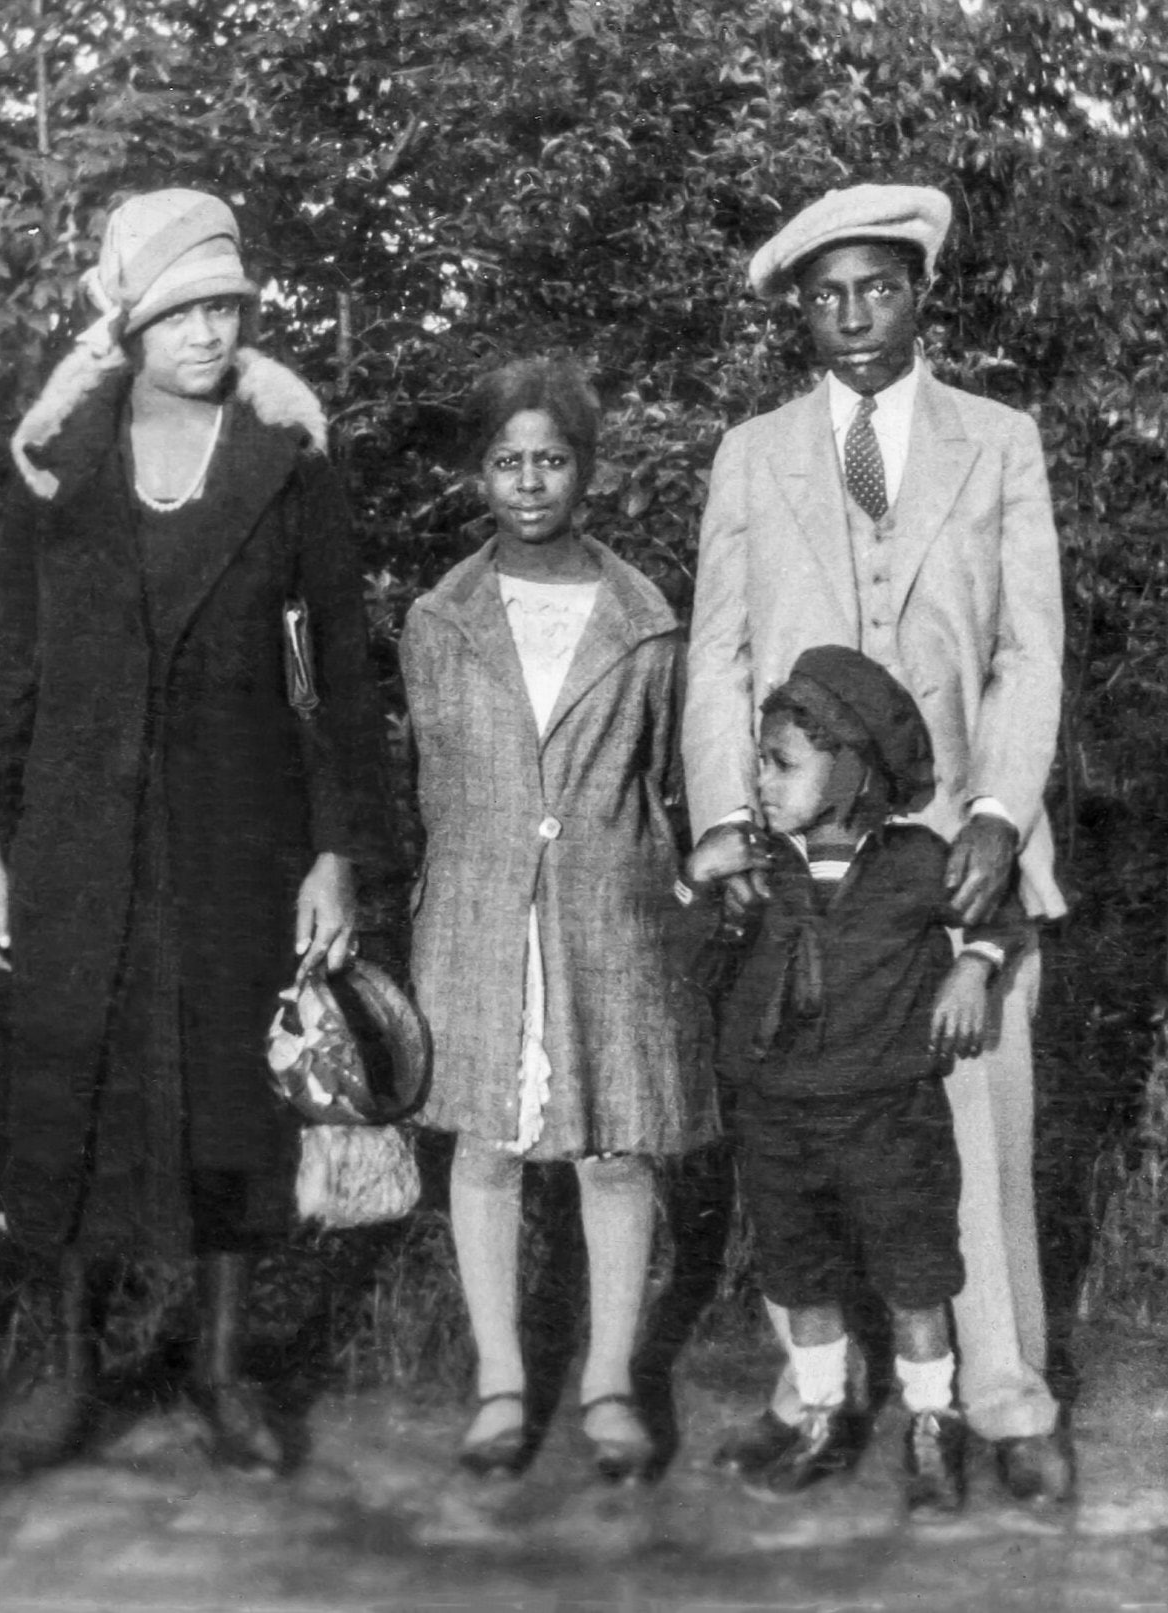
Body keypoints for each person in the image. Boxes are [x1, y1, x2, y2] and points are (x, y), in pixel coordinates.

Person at [0, 189, 386, 1476]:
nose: (208, 332)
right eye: (182, 309)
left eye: (227, 308)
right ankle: (71, 1373)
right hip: (75, 829)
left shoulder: (288, 459)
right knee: (68, 1079)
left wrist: (335, 847)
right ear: (129, 320)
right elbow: (8, 658)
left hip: (236, 828)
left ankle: (221, 1366)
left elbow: (338, 674)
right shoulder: (60, 458)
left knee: (234, 1094)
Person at [684, 184, 1071, 1501]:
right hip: (806, 864)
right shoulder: (753, 453)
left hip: (958, 847)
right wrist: (726, 820)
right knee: (806, 1135)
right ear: (798, 307)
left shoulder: (998, 442)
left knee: (974, 1129)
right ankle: (818, 1398)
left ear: (921, 294)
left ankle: (1010, 1405)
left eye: (880, 288)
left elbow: (1029, 650)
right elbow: (717, 653)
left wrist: (1001, 812)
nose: (853, 316)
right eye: (826, 293)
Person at [400, 357, 713, 1481]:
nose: (530, 481)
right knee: (486, 1144)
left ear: (586, 469)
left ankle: (613, 1381)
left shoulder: (644, 616)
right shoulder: (441, 616)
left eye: (552, 459)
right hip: (480, 910)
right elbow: (429, 774)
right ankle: (498, 1380)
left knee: (614, 1150)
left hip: (609, 912)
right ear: (480, 472)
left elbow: (673, 771)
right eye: (507, 460)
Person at [688, 646, 1024, 1512]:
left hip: (888, 1113)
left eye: (780, 764)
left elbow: (1004, 908)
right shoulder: (756, 865)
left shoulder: (917, 860)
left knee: (914, 1274)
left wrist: (973, 965)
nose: (759, 781)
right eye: (761, 761)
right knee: (799, 1272)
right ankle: (823, 1415)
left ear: (849, 770)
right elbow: (678, 953)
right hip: (776, 1113)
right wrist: (694, 879)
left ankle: (929, 1423)